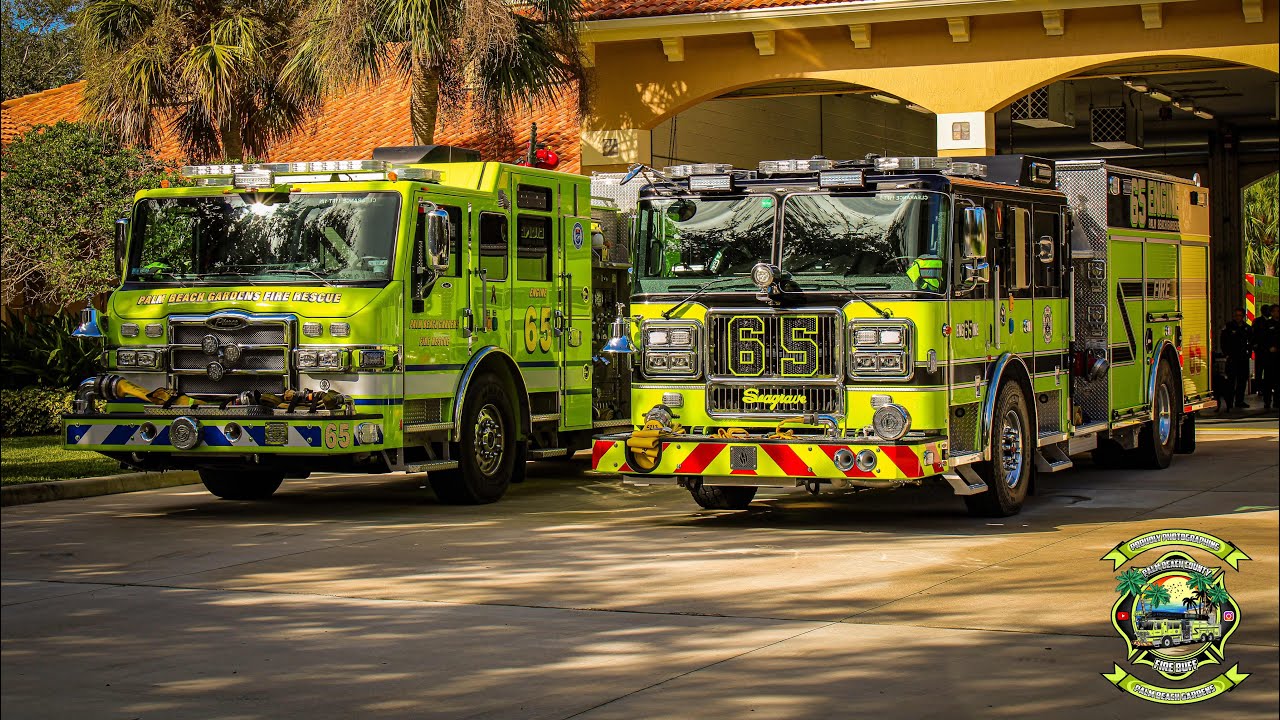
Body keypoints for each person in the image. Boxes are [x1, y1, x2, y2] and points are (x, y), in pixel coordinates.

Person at [1220, 307, 1252, 411]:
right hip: (1232, 358)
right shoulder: (1229, 327)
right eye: (1236, 315)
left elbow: (1251, 341)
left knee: (1242, 381)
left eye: (1240, 315)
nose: (1238, 317)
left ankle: (1240, 401)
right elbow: (1223, 341)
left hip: (1243, 358)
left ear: (1243, 316)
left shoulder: (1247, 328)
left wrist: (1249, 353)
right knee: (1231, 381)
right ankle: (1229, 402)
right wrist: (1226, 354)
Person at [1258, 304, 1280, 410]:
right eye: (1275, 311)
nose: (1277, 313)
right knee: (1268, 381)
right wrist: (1268, 348)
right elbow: (1262, 340)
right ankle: (1267, 402)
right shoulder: (1267, 325)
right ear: (1271, 313)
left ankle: (1277, 402)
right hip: (1269, 357)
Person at [1254, 304, 1271, 400]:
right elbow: (1255, 335)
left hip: (1266, 350)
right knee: (1259, 370)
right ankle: (1259, 388)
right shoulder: (1259, 322)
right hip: (1261, 350)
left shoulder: (1267, 322)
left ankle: (1264, 388)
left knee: (1266, 370)